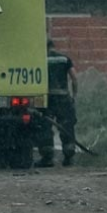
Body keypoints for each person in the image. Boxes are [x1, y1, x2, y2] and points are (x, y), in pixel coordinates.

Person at [39, 40, 79, 168]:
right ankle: (68, 157)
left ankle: (47, 157)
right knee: (67, 126)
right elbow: (74, 78)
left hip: (47, 98)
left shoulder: (41, 59)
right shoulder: (65, 59)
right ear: (54, 46)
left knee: (45, 126)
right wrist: (74, 96)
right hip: (63, 97)